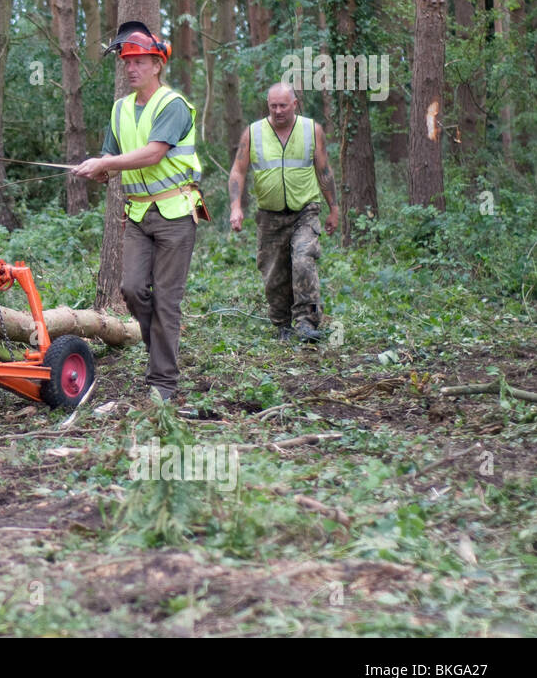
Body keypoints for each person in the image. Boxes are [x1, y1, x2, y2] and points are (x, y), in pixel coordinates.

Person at [73, 22, 208, 405]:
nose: (131, 68)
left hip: (176, 213)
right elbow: (112, 163)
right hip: (137, 215)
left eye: (139, 61)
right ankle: (160, 352)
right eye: (126, 62)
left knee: (167, 299)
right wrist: (96, 169)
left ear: (156, 65)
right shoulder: (119, 110)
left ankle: (163, 381)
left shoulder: (173, 105)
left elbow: (152, 153)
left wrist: (107, 162)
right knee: (132, 289)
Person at [228, 82, 339, 343]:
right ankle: (282, 324)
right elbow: (238, 171)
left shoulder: (312, 130)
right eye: (273, 106)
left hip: (305, 211)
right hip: (269, 215)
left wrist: (334, 208)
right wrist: (236, 206)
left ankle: (307, 322)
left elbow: (324, 171)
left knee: (303, 260)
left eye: (283, 106)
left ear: (294, 104)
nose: (278, 111)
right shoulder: (253, 133)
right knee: (273, 273)